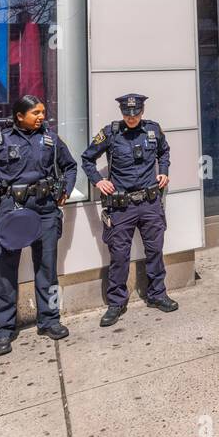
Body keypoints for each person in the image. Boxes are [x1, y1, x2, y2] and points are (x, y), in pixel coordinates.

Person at [0, 95, 77, 356]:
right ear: (20, 115)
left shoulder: (50, 140)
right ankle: (2, 331)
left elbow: (70, 166)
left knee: (47, 268)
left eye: (42, 112)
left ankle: (49, 320)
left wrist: (66, 190)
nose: (41, 116)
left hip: (45, 211)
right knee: (5, 274)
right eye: (36, 113)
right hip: (11, 214)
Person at [81, 93, 177, 327]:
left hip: (149, 203)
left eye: (135, 113)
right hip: (121, 206)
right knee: (120, 255)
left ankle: (157, 295)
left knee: (155, 250)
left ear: (142, 112)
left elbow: (164, 151)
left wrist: (163, 170)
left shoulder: (153, 131)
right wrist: (98, 181)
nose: (131, 118)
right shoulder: (111, 133)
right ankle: (116, 303)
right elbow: (87, 159)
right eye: (127, 113)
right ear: (122, 113)